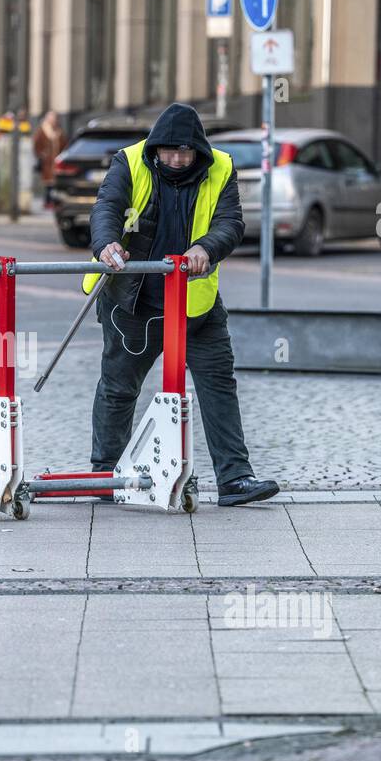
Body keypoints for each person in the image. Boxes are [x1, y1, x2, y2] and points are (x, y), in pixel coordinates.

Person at [86, 101, 280, 507]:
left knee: (218, 385)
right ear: (155, 147)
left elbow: (231, 223)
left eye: (184, 152)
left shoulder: (221, 168)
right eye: (168, 151)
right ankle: (105, 476)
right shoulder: (130, 161)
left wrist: (205, 248)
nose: (176, 160)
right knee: (119, 389)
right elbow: (107, 207)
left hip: (195, 306)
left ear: (199, 151)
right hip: (133, 300)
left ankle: (235, 478)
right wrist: (107, 243)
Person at [32, 110, 68, 209]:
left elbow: (65, 144)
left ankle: (54, 201)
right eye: (52, 119)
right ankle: (47, 201)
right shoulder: (42, 130)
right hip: (47, 162)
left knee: (56, 182)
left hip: (57, 161)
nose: (54, 121)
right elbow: (36, 144)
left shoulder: (59, 131)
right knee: (48, 183)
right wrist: (41, 154)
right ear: (48, 119)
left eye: (55, 119)